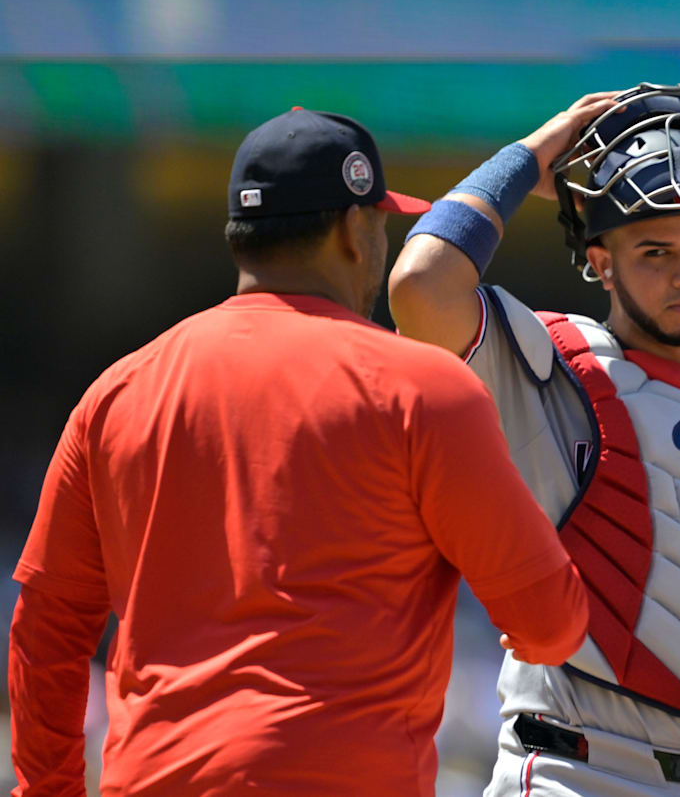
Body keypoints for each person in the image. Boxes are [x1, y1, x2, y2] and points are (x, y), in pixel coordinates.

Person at [8, 108, 588, 796]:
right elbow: (549, 626)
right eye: (380, 224)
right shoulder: (423, 390)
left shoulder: (117, 392)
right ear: (352, 231)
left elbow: (46, 633)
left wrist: (49, 791)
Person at [388, 84, 680, 796]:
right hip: (581, 773)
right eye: (654, 251)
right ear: (601, 260)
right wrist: (533, 154)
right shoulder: (548, 370)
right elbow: (421, 286)